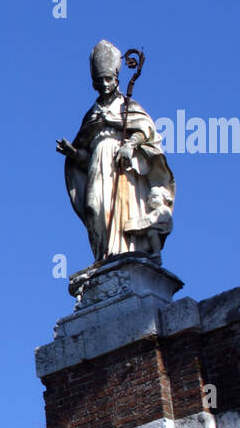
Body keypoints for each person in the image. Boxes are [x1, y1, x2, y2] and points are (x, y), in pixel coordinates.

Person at [56, 40, 175, 263]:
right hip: (96, 165)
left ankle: (122, 252)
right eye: (99, 80)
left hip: (121, 165)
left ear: (117, 80)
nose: (104, 84)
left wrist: (130, 146)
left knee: (122, 207)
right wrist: (72, 153)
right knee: (93, 206)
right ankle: (103, 257)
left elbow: (146, 131)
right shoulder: (92, 114)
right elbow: (86, 156)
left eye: (108, 79)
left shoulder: (126, 106)